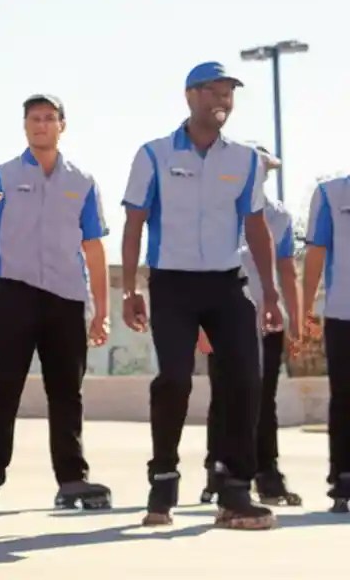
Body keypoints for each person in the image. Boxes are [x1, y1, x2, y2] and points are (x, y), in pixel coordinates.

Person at [120, 61, 286, 530]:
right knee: (174, 379)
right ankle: (163, 479)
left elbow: (256, 227)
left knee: (247, 379)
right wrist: (131, 287)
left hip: (226, 283)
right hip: (171, 283)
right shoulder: (152, 154)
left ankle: (235, 487)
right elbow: (134, 223)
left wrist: (270, 294)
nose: (222, 101)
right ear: (190, 95)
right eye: (213, 91)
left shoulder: (245, 159)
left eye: (229, 94)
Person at [0, 94, 113, 512]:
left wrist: (101, 311)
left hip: (66, 300)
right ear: (25, 125)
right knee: (3, 390)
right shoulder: (1, 176)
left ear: (62, 125)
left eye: (49, 118)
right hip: (14, 294)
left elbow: (94, 249)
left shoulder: (81, 182)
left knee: (67, 393)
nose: (41, 125)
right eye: (34, 118)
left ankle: (72, 479)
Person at [199, 144, 302, 507]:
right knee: (224, 396)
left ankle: (266, 473)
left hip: (267, 318)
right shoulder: (216, 207)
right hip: (221, 315)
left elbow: (287, 269)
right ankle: (218, 468)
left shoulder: (279, 216)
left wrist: (296, 317)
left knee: (264, 399)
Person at [298, 169, 350, 511]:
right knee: (344, 397)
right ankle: (343, 478)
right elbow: (316, 251)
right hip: (342, 313)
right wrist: (305, 308)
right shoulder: (331, 194)